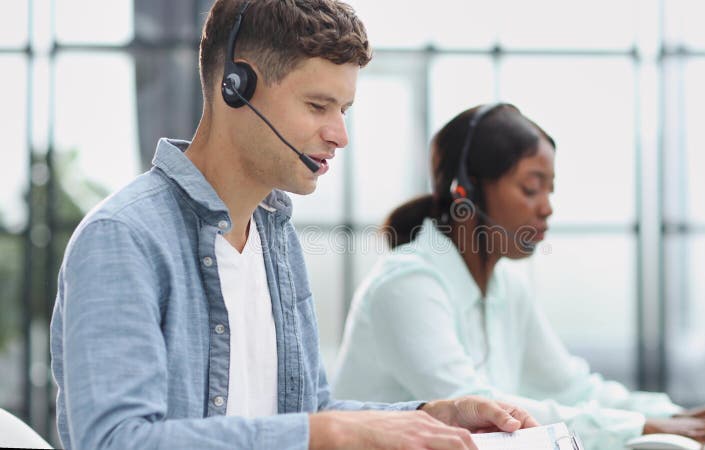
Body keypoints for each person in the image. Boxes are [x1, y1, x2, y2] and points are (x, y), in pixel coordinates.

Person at [48, 2, 539, 449]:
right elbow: (113, 441)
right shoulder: (122, 238)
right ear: (236, 88)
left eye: (343, 110)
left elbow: (307, 415)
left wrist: (431, 415)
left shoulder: (275, 238)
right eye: (317, 105)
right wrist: (320, 432)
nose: (340, 135)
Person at [331, 103, 705, 450]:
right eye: (530, 187)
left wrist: (681, 416)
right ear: (464, 192)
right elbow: (482, 409)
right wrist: (650, 424)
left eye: (550, 189)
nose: (546, 207)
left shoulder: (505, 287)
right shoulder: (407, 285)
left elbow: (571, 386)